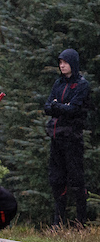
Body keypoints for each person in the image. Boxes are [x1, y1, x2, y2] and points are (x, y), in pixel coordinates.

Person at [44, 48, 91, 226]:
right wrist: (61, 106)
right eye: (60, 62)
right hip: (56, 138)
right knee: (56, 179)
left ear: (73, 63)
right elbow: (47, 106)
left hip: (73, 139)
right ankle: (58, 223)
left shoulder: (82, 85)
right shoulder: (59, 83)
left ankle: (81, 222)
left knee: (76, 179)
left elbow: (74, 110)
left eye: (65, 62)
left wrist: (58, 106)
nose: (61, 65)